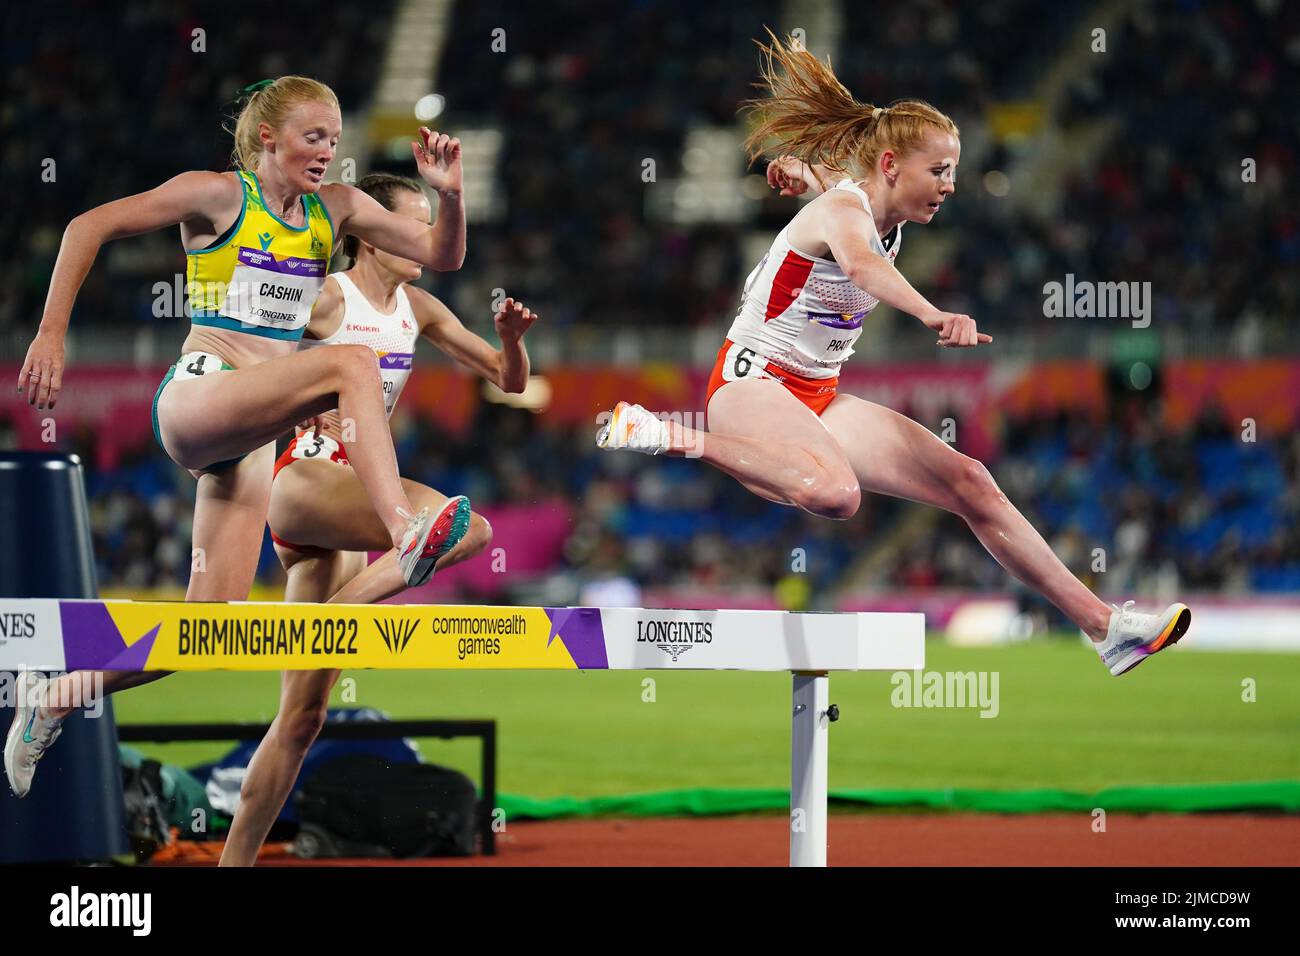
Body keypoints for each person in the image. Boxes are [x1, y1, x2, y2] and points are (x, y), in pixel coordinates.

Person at [596, 33, 1190, 675]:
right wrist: (932, 312)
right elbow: (859, 263)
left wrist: (797, 170)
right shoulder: (848, 213)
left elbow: (830, 191)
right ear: (888, 166)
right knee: (836, 493)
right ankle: (669, 433)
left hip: (814, 397)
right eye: (939, 171)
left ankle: (1105, 628)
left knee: (970, 482)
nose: (951, 186)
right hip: (750, 387)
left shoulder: (866, 206)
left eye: (953, 172)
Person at [6, 77, 473, 798]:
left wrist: (450, 194)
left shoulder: (337, 210)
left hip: (249, 440)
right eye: (313, 137)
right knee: (351, 360)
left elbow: (442, 256)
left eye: (335, 139)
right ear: (267, 137)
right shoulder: (218, 195)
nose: (327, 152)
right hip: (197, 398)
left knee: (207, 630)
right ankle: (402, 530)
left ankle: (61, 695)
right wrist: (50, 333)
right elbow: (86, 227)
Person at [221, 173, 537, 865]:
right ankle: (347, 611)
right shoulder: (330, 297)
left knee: (302, 719)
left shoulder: (419, 308)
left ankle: (232, 864)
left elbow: (510, 382)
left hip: (355, 506)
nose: (423, 240)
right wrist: (284, 398)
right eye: (411, 225)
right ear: (366, 233)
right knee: (469, 528)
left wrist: (511, 340)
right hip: (304, 481)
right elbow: (241, 336)